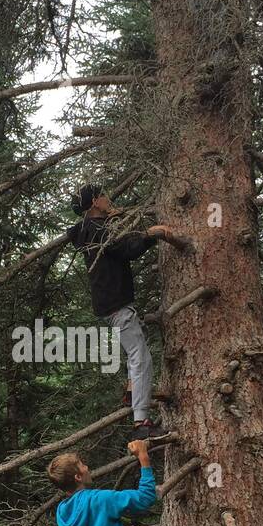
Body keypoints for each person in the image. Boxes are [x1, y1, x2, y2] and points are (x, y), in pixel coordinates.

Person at [66, 183, 180, 441]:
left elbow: (85, 233)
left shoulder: (85, 230)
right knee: (141, 358)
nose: (109, 199)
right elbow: (126, 250)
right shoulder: (99, 230)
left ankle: (131, 391)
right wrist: (151, 234)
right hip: (117, 303)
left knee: (134, 353)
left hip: (109, 303)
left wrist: (113, 216)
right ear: (95, 201)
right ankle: (141, 422)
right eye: (104, 196)